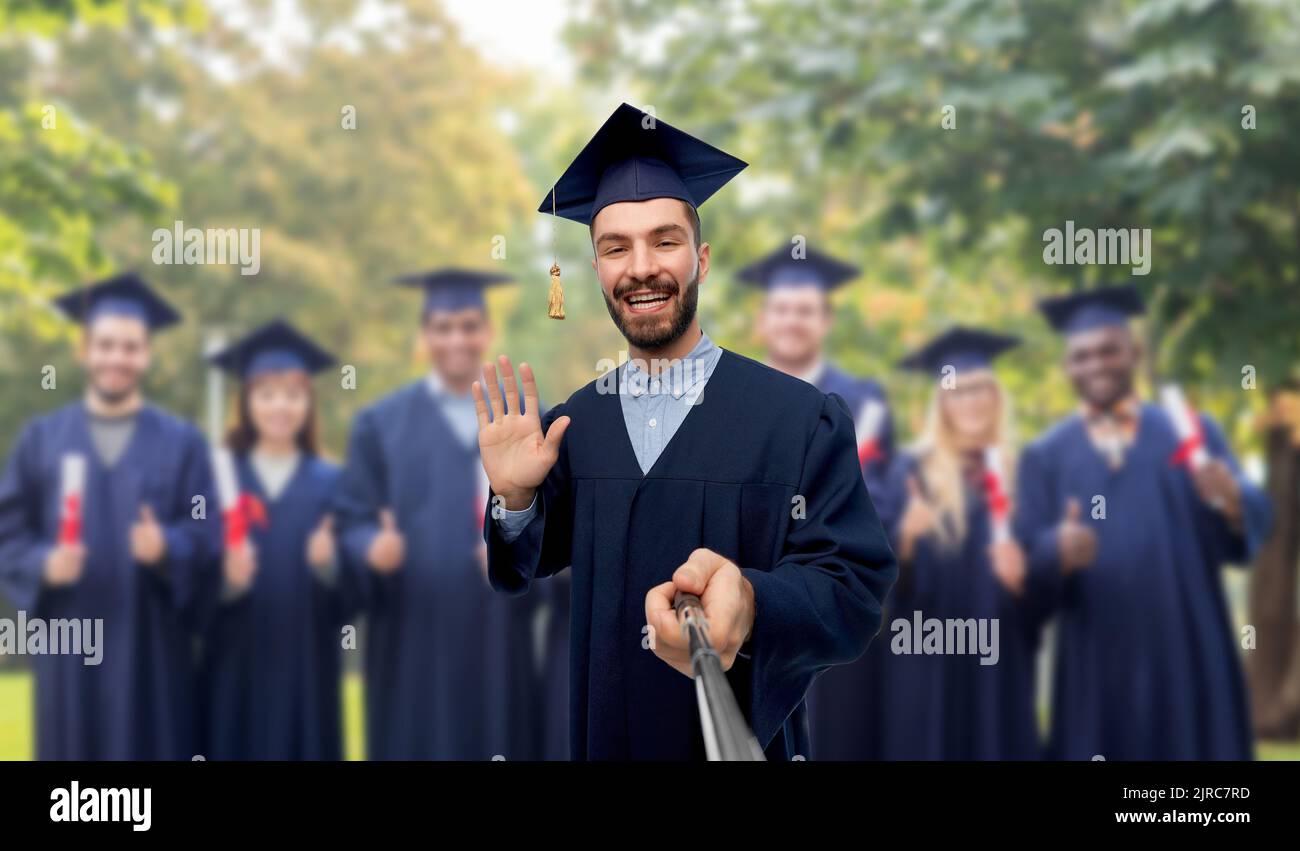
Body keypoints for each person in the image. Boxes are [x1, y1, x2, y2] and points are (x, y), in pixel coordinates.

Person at [477, 103, 898, 760]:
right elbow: (524, 563)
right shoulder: (572, 427)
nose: (640, 267)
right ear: (597, 270)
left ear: (700, 258)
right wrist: (516, 501)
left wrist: (754, 602)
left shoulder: (798, 419)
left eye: (664, 240)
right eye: (615, 247)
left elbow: (853, 587)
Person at [1015, 285, 1271, 760]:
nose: (1096, 365)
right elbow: (1026, 565)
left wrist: (1234, 500)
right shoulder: (1045, 456)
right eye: (1082, 356)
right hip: (1096, 654)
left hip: (1187, 642)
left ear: (1133, 353)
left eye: (1109, 350)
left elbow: (1251, 519)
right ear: (1067, 366)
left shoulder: (1191, 432)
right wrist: (1056, 549)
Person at [0, 272, 220, 759]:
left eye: (130, 347)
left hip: (153, 655)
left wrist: (168, 547)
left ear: (147, 354)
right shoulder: (41, 441)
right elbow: (7, 534)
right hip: (67, 652)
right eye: (105, 345)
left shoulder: (183, 444)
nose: (116, 358)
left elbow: (207, 534)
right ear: (84, 350)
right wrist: (42, 564)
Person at [335, 268, 545, 760]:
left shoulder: (526, 421)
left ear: (488, 332)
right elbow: (350, 521)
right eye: (443, 327)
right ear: (424, 335)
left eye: (469, 325)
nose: (457, 339)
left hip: (499, 640)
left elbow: (562, 535)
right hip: (410, 638)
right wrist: (369, 548)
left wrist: (517, 551)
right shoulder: (379, 426)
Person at [737, 243, 900, 759]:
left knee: (842, 736)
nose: (792, 321)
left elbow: (883, 501)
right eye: (781, 310)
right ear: (763, 320)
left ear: (826, 319)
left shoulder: (863, 402)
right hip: (751, 604)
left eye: (805, 311)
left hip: (832, 600)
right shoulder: (732, 396)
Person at [197, 320, 359, 760]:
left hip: (307, 670)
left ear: (309, 403)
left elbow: (355, 598)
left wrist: (330, 565)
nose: (280, 406)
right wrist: (225, 579)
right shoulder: (217, 482)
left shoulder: (335, 483)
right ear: (246, 402)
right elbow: (187, 590)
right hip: (232, 669)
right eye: (266, 394)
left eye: (293, 394)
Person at [882, 327, 1043, 759]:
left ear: (994, 396)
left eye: (978, 390)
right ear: (943, 404)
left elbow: (1047, 592)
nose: (969, 401)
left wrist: (1023, 582)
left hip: (1001, 660)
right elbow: (883, 588)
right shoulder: (910, 471)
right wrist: (908, 540)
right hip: (930, 656)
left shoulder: (1025, 472)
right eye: (957, 392)